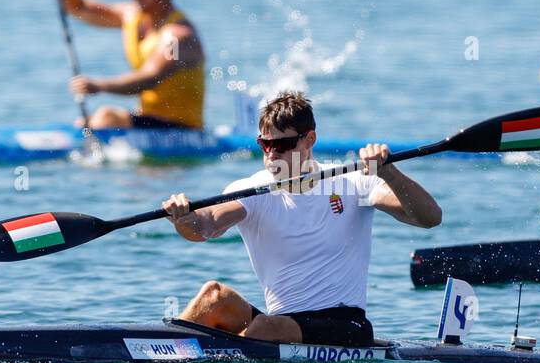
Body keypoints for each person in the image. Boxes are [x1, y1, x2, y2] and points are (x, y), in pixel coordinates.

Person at [161, 92, 442, 346]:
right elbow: (206, 225)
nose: (271, 154)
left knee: (266, 328)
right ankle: (167, 352)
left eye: (281, 145)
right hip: (280, 325)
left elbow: (429, 217)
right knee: (214, 297)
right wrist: (183, 218)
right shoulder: (252, 190)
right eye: (265, 144)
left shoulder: (353, 183)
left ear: (309, 140)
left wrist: (388, 172)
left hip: (347, 325)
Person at [36, 0, 206, 129]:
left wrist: (100, 86)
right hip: (147, 119)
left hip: (182, 128)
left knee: (106, 117)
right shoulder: (130, 16)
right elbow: (78, 7)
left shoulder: (178, 36)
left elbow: (150, 77)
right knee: (88, 123)